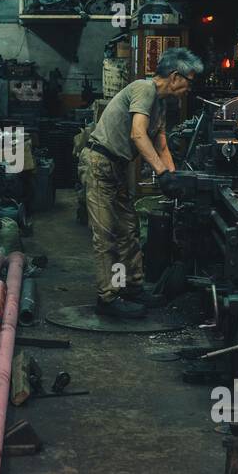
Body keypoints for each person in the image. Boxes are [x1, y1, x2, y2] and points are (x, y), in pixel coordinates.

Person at [81, 47, 202, 319]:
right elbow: (138, 135)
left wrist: (173, 176)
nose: (189, 88)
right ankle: (108, 298)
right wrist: (161, 174)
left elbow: (161, 144)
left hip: (117, 167)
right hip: (99, 163)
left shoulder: (160, 104)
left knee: (128, 229)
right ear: (174, 77)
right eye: (189, 81)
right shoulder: (144, 89)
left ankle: (132, 287)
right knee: (107, 234)